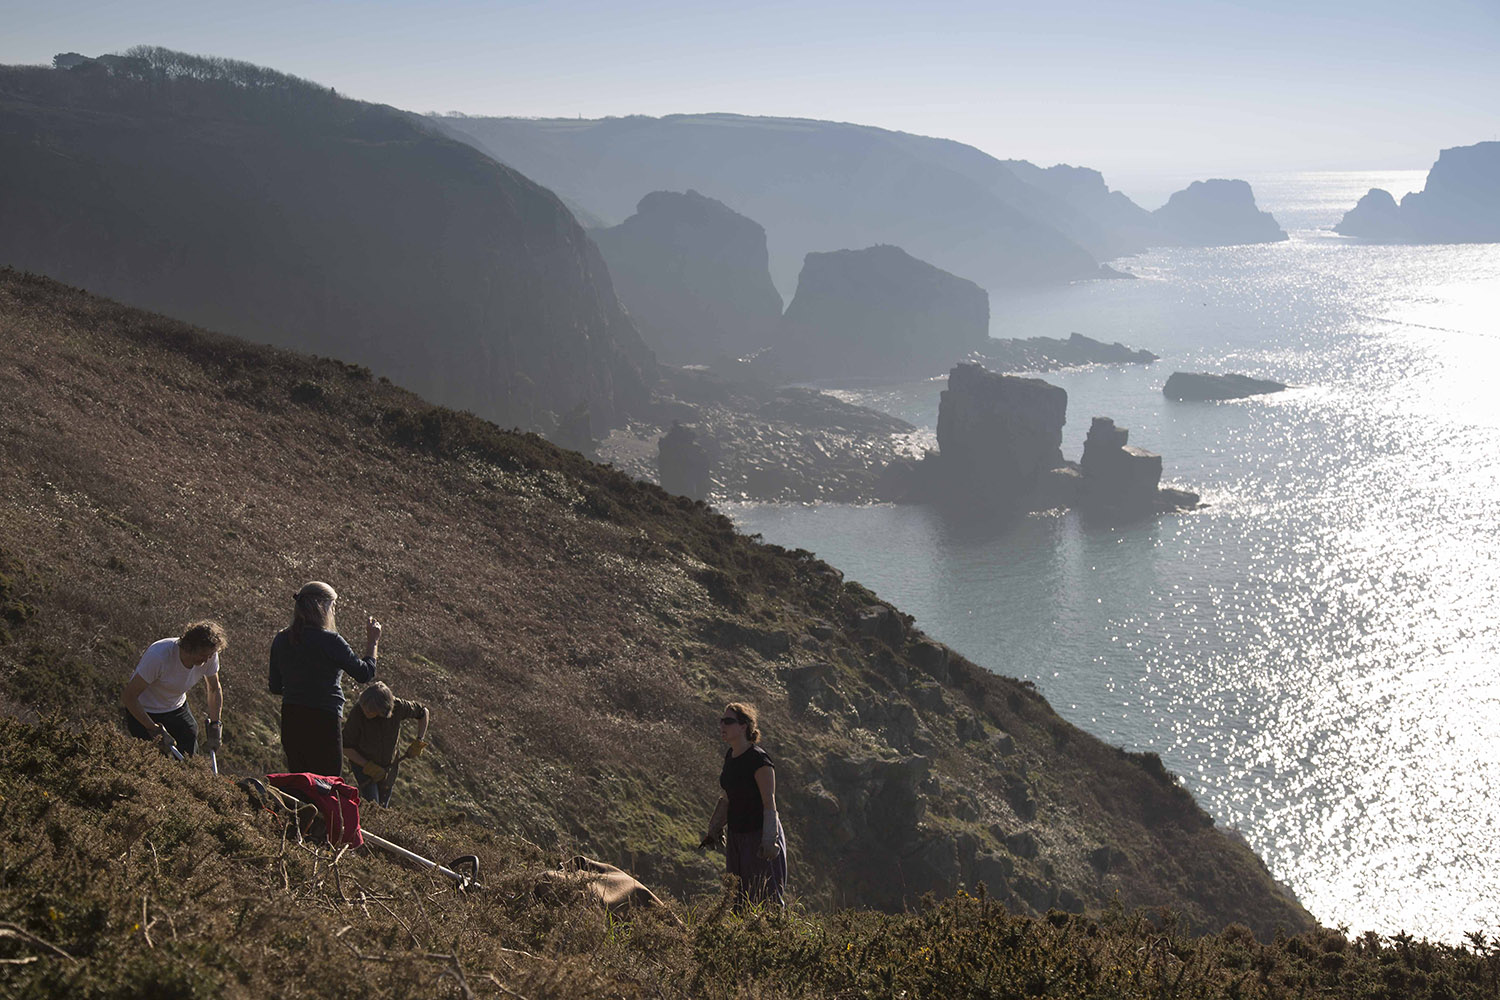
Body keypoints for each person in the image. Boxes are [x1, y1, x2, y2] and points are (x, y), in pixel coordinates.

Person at [268, 581, 380, 776]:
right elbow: (364, 674)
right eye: (333, 607)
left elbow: (276, 686)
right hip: (324, 719)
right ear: (324, 607)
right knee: (328, 781)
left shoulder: (282, 639)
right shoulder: (331, 641)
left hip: (292, 717)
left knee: (300, 780)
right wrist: (373, 642)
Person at [700, 702, 787, 908]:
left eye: (728, 721)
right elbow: (729, 796)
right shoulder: (730, 756)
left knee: (765, 896)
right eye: (721, 721)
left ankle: (773, 937)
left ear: (743, 726)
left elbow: (769, 801)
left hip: (758, 836)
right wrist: (715, 828)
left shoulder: (759, 759)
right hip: (737, 836)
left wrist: (769, 840)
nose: (722, 725)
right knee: (738, 897)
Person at [121, 621, 227, 757]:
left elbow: (214, 688)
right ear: (190, 647)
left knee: (189, 749)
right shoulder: (159, 656)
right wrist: (153, 729)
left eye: (210, 655)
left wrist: (215, 725)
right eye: (203, 655)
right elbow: (129, 697)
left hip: (176, 707)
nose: (207, 660)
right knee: (154, 759)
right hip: (145, 711)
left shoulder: (209, 655)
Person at [342, 681, 430, 806]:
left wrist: (419, 740)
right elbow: (345, 746)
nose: (366, 713)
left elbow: (423, 712)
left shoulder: (399, 707)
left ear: (383, 709)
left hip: (389, 768)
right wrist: (368, 766)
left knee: (382, 807)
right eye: (364, 709)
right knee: (372, 805)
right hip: (364, 768)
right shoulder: (358, 713)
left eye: (370, 712)